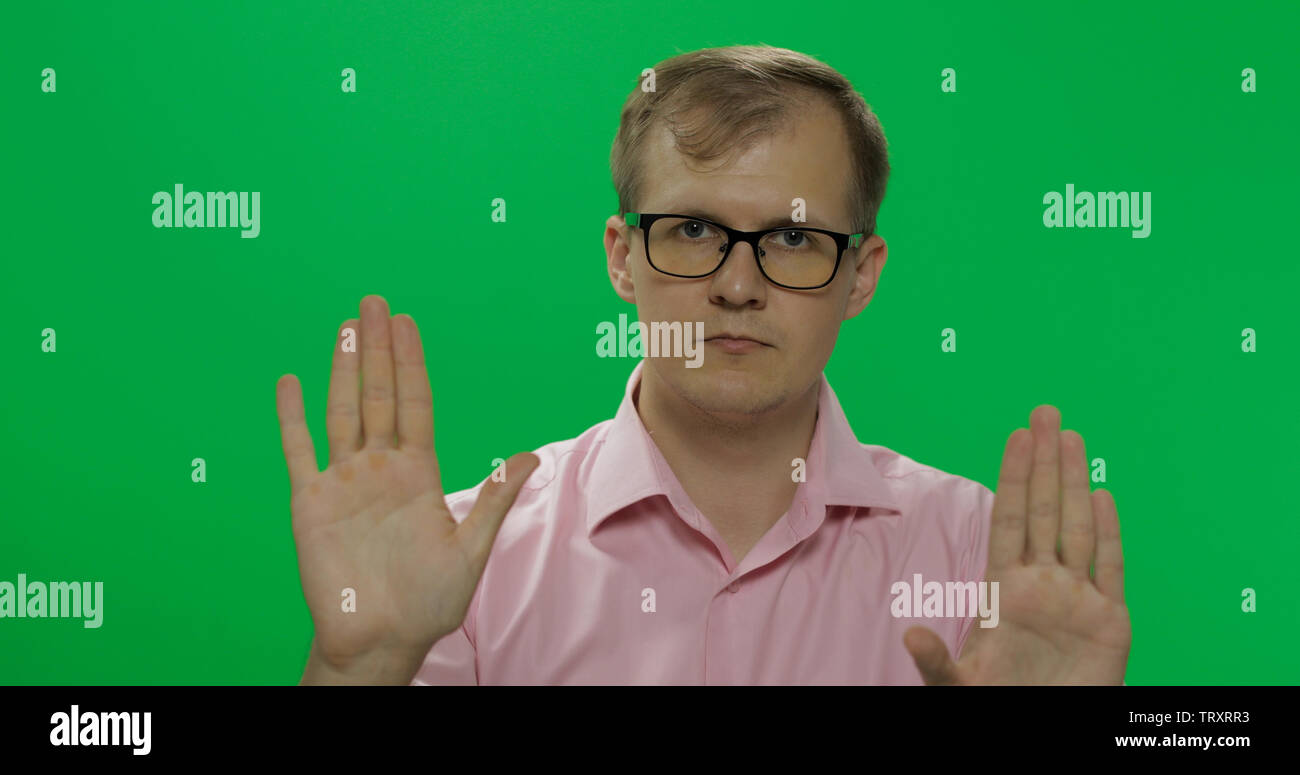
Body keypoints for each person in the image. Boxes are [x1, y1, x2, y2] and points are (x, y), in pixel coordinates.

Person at [275, 45, 1131, 685]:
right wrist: (361, 665)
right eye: (693, 231)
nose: (736, 284)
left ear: (860, 275)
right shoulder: (466, 560)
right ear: (622, 257)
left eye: (793, 238)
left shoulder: (981, 556)